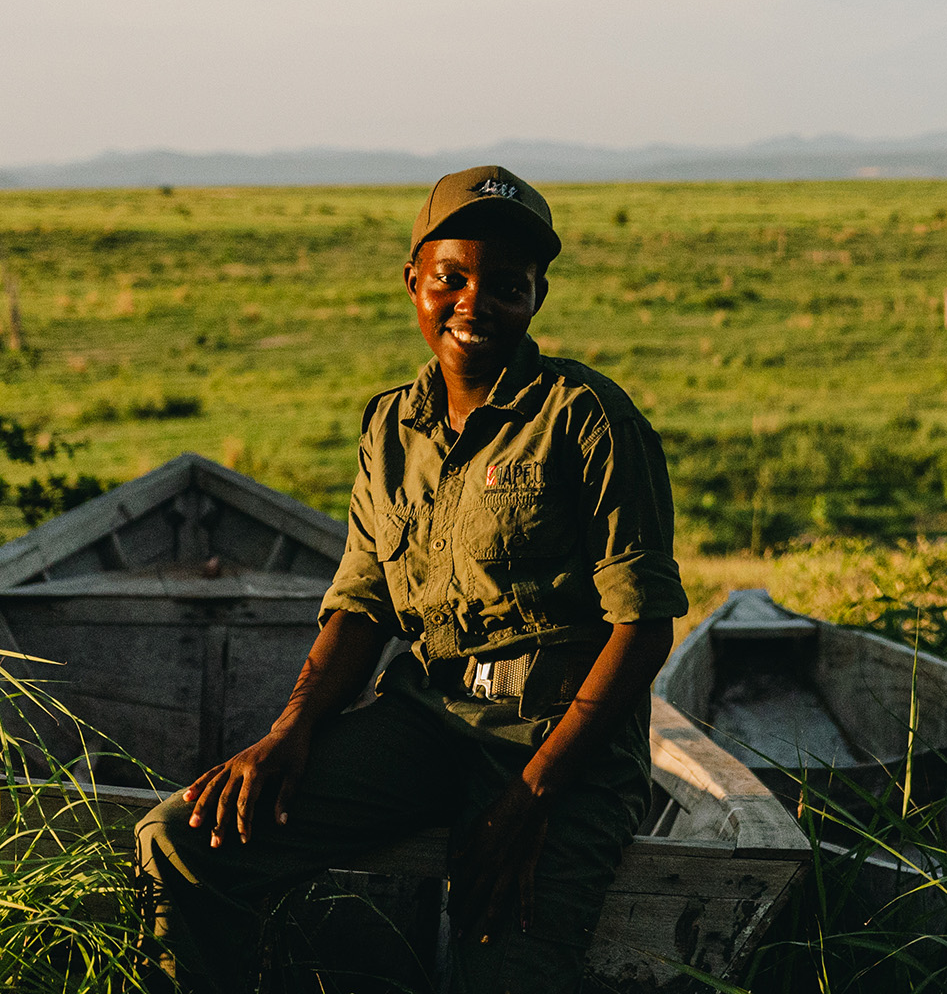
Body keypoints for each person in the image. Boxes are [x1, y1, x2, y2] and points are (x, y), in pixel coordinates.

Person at [137, 166, 687, 993]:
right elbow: (361, 605)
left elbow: (641, 625)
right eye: (452, 279)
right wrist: (290, 735)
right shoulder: (392, 424)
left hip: (559, 743)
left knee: (506, 973)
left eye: (505, 286)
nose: (475, 304)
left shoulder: (584, 416)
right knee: (181, 841)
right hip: (428, 717)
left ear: (536, 296)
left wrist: (532, 795)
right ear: (413, 282)